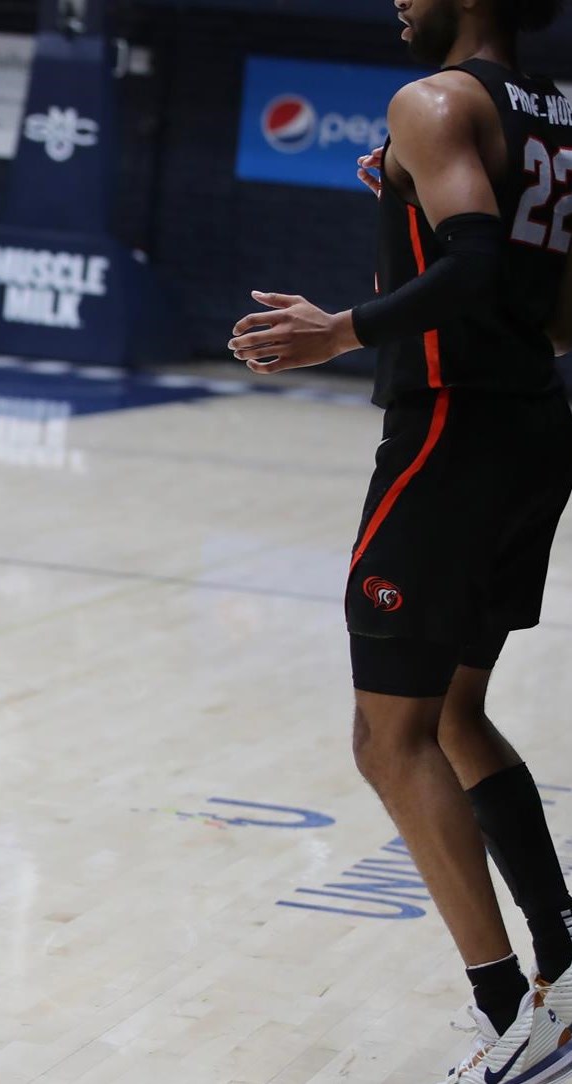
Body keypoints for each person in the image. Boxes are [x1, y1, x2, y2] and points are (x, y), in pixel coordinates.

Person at [227, 1, 572, 1078]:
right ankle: (564, 965)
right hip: (533, 426)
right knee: (454, 715)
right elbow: (551, 308)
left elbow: (470, 268)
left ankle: (514, 1016)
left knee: (387, 739)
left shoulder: (433, 101)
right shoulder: (556, 117)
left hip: (449, 438)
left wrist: (337, 329)